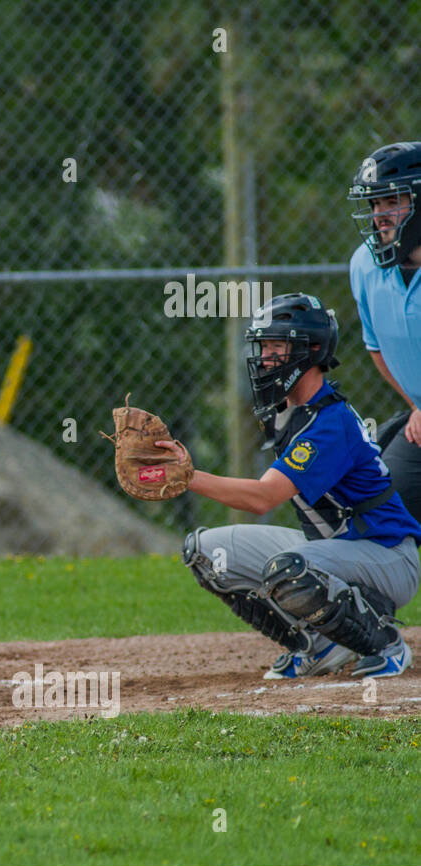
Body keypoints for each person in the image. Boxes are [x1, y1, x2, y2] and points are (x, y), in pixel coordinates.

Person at [172, 293, 419, 679]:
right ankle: (318, 645)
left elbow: (263, 497)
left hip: (386, 557)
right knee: (206, 553)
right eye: (263, 347)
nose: (265, 357)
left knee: (288, 569)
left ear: (312, 350)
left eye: (276, 346)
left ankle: (384, 643)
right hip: (332, 551)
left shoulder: (329, 421)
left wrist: (187, 477)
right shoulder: (286, 412)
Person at [347, 141, 421, 520]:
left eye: (391, 201)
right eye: (374, 204)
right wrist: (416, 406)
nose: (379, 215)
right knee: (377, 514)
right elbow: (377, 349)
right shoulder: (365, 265)